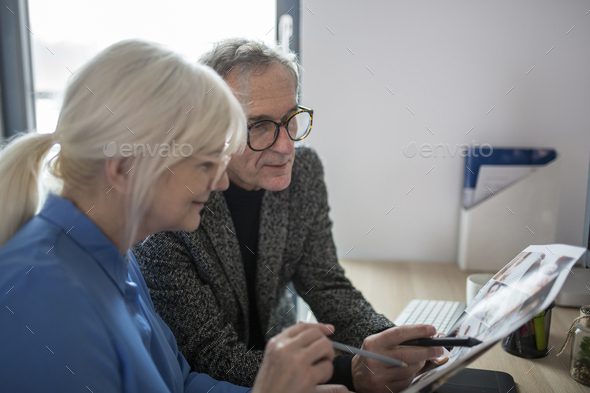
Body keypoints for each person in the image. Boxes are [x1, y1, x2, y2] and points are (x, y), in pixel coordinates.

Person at [0, 40, 347, 393]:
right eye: (205, 163)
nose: (222, 180)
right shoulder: (38, 300)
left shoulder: (116, 256)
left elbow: (180, 383)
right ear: (124, 170)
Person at [133, 38, 443, 393]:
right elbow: (210, 356)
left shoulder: (305, 171)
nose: (285, 146)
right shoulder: (170, 208)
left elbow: (326, 286)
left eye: (291, 118)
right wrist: (350, 371)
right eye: (260, 125)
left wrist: (393, 345)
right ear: (212, 127)